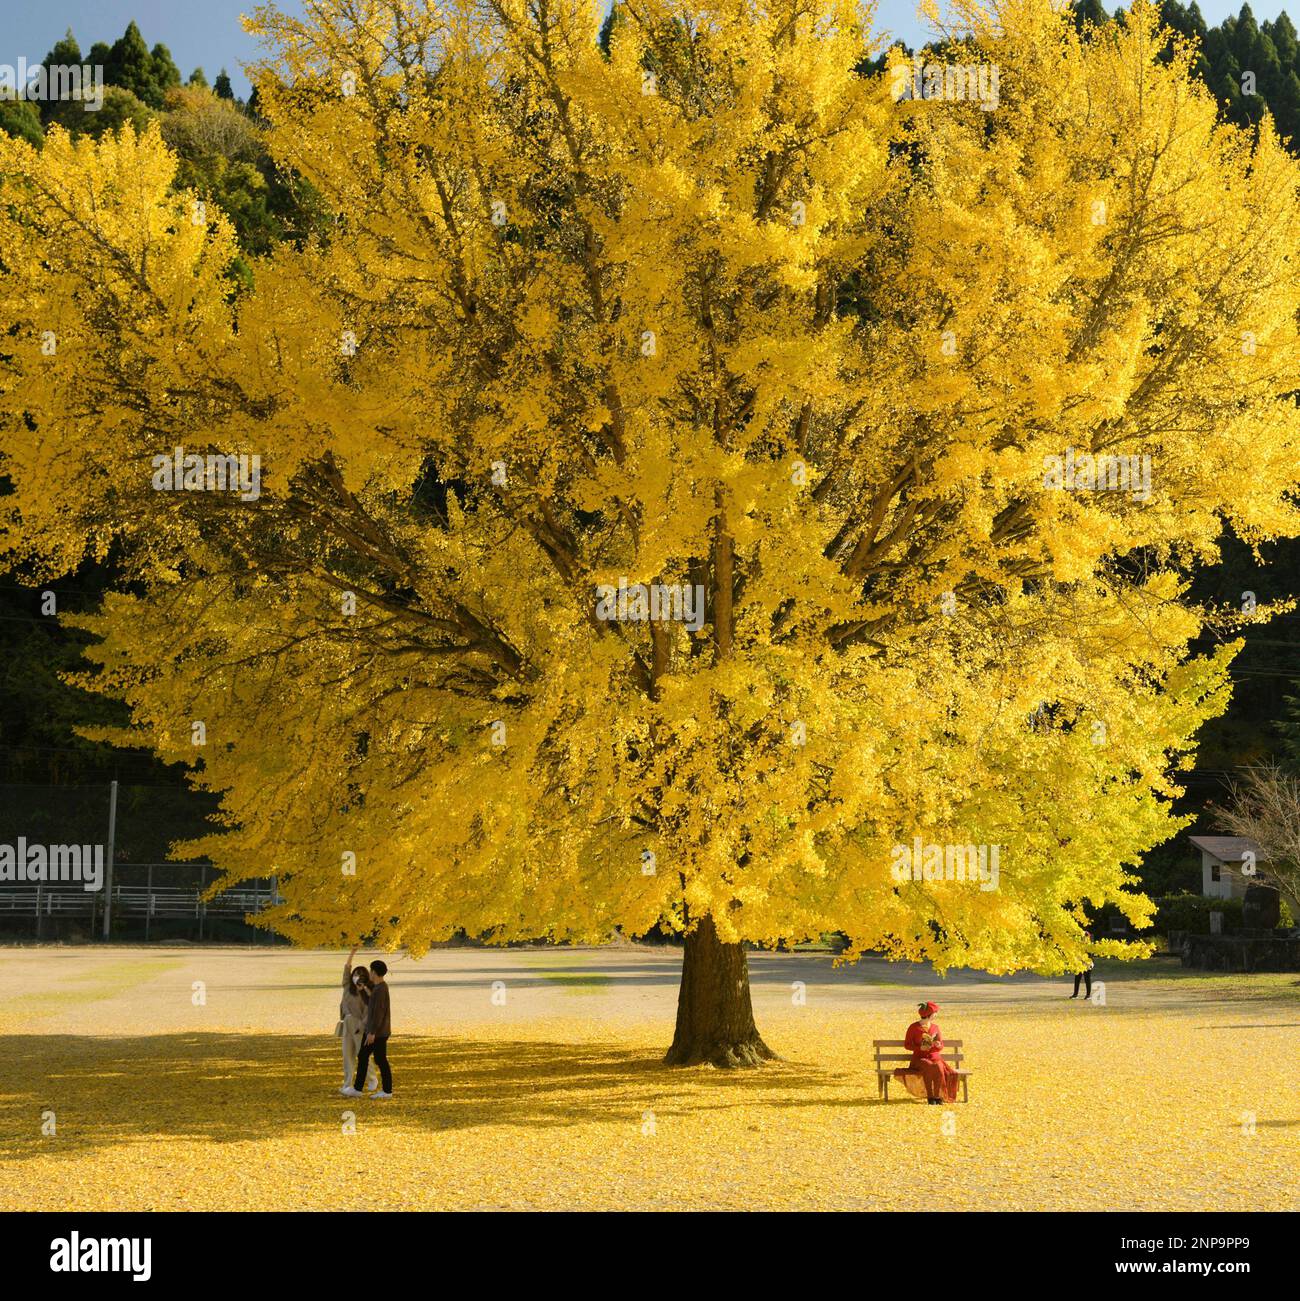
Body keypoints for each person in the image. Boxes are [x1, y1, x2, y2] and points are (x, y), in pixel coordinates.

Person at [342, 958, 392, 1100]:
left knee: (379, 1059)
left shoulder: (381, 989)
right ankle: (358, 1089)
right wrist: (363, 990)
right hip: (377, 1031)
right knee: (364, 1056)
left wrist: (372, 1032)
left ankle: (386, 1091)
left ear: (374, 972)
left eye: (371, 971)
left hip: (378, 1033)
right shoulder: (378, 987)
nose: (369, 973)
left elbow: (377, 1013)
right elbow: (370, 1003)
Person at [894, 1000, 960, 1105]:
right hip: (919, 1059)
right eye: (935, 1013)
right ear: (929, 1014)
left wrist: (938, 1045)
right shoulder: (914, 1027)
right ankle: (930, 1096)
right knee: (928, 1065)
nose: (936, 1015)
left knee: (938, 1066)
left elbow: (941, 1045)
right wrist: (920, 1048)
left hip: (935, 1057)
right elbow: (907, 1045)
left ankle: (937, 1096)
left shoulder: (935, 1027)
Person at [339, 945, 379, 1094]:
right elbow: (347, 968)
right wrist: (352, 952)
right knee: (347, 1055)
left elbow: (369, 1012)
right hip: (347, 1024)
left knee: (362, 1055)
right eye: (356, 974)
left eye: (361, 975)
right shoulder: (347, 986)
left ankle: (372, 1079)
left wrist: (361, 1026)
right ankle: (347, 1083)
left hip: (359, 1026)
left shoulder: (368, 993)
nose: (357, 977)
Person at [1070, 933, 1095, 1001]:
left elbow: (1091, 955)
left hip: (1087, 963)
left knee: (1087, 979)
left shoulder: (1090, 945)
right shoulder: (1079, 945)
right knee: (1077, 979)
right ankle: (1075, 994)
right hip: (1080, 963)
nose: (1083, 938)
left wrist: (1089, 962)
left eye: (1084, 937)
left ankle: (1088, 995)